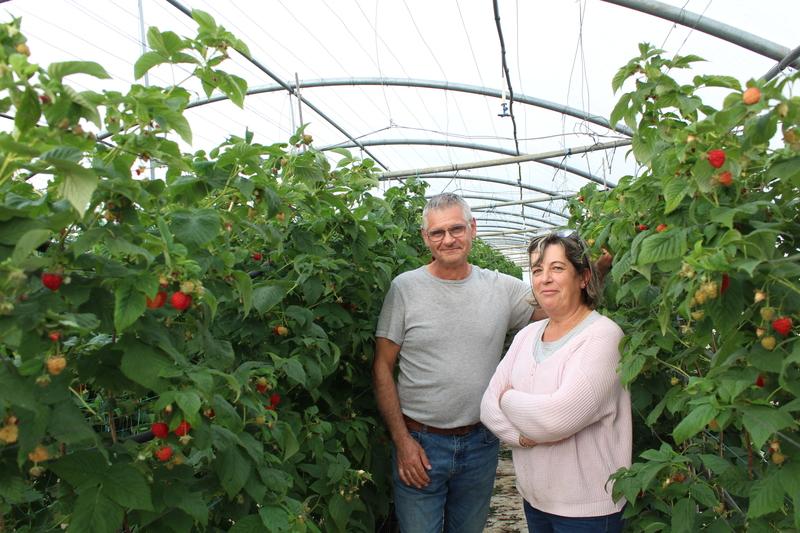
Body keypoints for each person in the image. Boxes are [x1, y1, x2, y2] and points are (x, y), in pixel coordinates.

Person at [372, 192, 535, 533]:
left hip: (481, 443)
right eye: (437, 233)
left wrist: (597, 271)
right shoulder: (405, 289)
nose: (448, 239)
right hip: (420, 443)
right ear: (425, 238)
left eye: (457, 229)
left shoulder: (501, 288)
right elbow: (382, 367)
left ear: (473, 229)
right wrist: (402, 442)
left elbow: (560, 309)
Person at [480, 229, 631, 532]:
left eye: (557, 268)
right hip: (535, 501)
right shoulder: (526, 336)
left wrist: (508, 399)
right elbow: (486, 406)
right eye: (537, 270)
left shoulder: (604, 336)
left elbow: (557, 417)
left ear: (584, 277)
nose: (544, 278)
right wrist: (521, 436)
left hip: (586, 511)